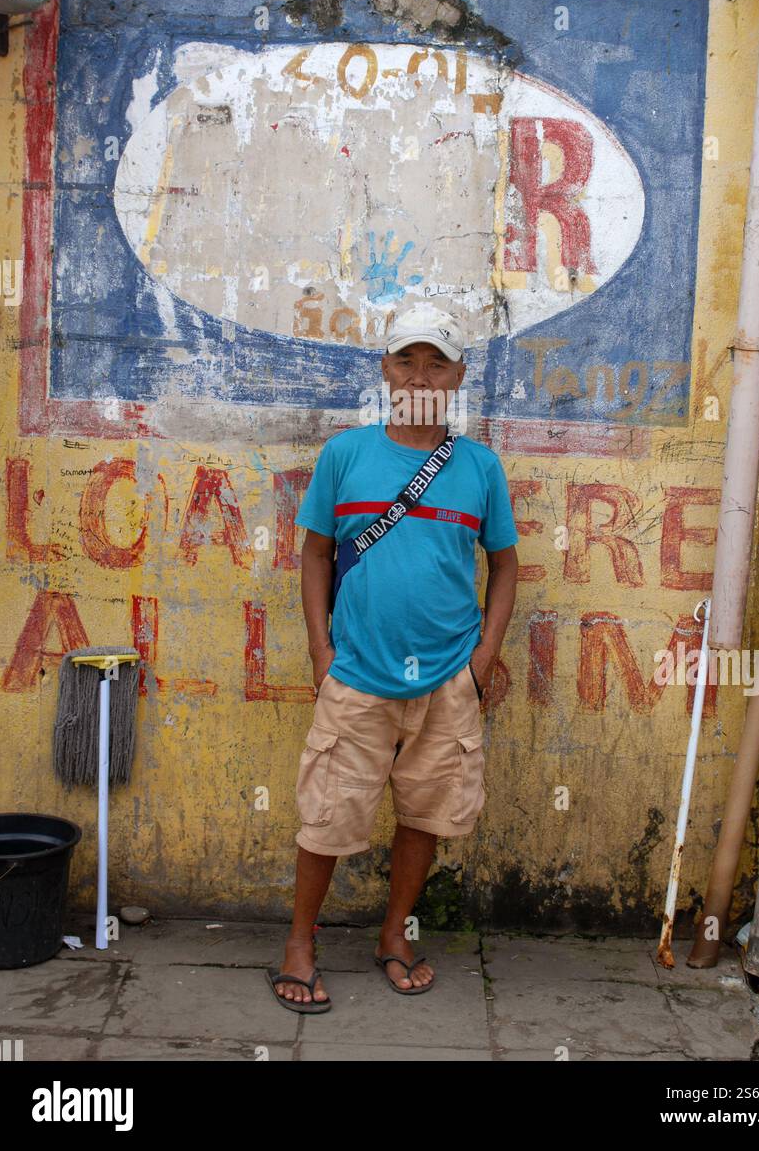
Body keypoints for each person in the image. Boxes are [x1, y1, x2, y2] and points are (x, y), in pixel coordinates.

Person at [268, 302, 519, 1011]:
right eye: (406, 359)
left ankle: (394, 935)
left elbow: (504, 566)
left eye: (435, 361)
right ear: (384, 369)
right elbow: (316, 555)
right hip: (355, 675)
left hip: (447, 678)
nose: (420, 374)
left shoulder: (478, 467)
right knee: (325, 815)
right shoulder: (346, 455)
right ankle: (299, 943)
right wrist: (321, 652)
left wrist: (482, 658)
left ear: (458, 374)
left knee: (424, 815)